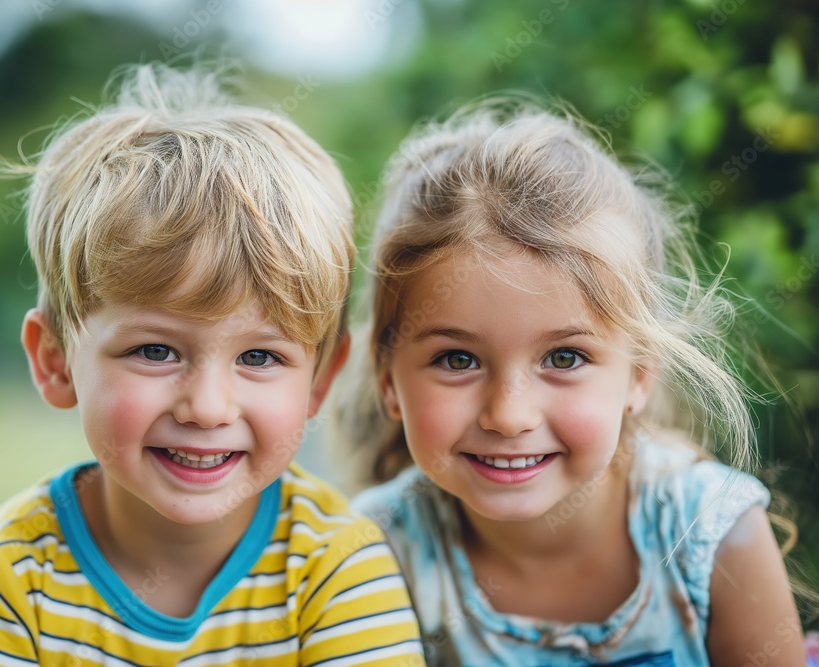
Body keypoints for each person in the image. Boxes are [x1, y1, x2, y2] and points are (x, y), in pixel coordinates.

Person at [0, 63, 425, 667]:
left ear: (321, 380)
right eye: (155, 351)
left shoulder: (339, 572)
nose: (207, 407)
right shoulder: (2, 578)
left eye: (259, 356)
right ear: (55, 361)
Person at [339, 97, 807, 665]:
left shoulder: (711, 535)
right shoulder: (374, 553)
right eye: (458, 360)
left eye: (563, 358)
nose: (509, 417)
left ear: (638, 373)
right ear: (388, 378)